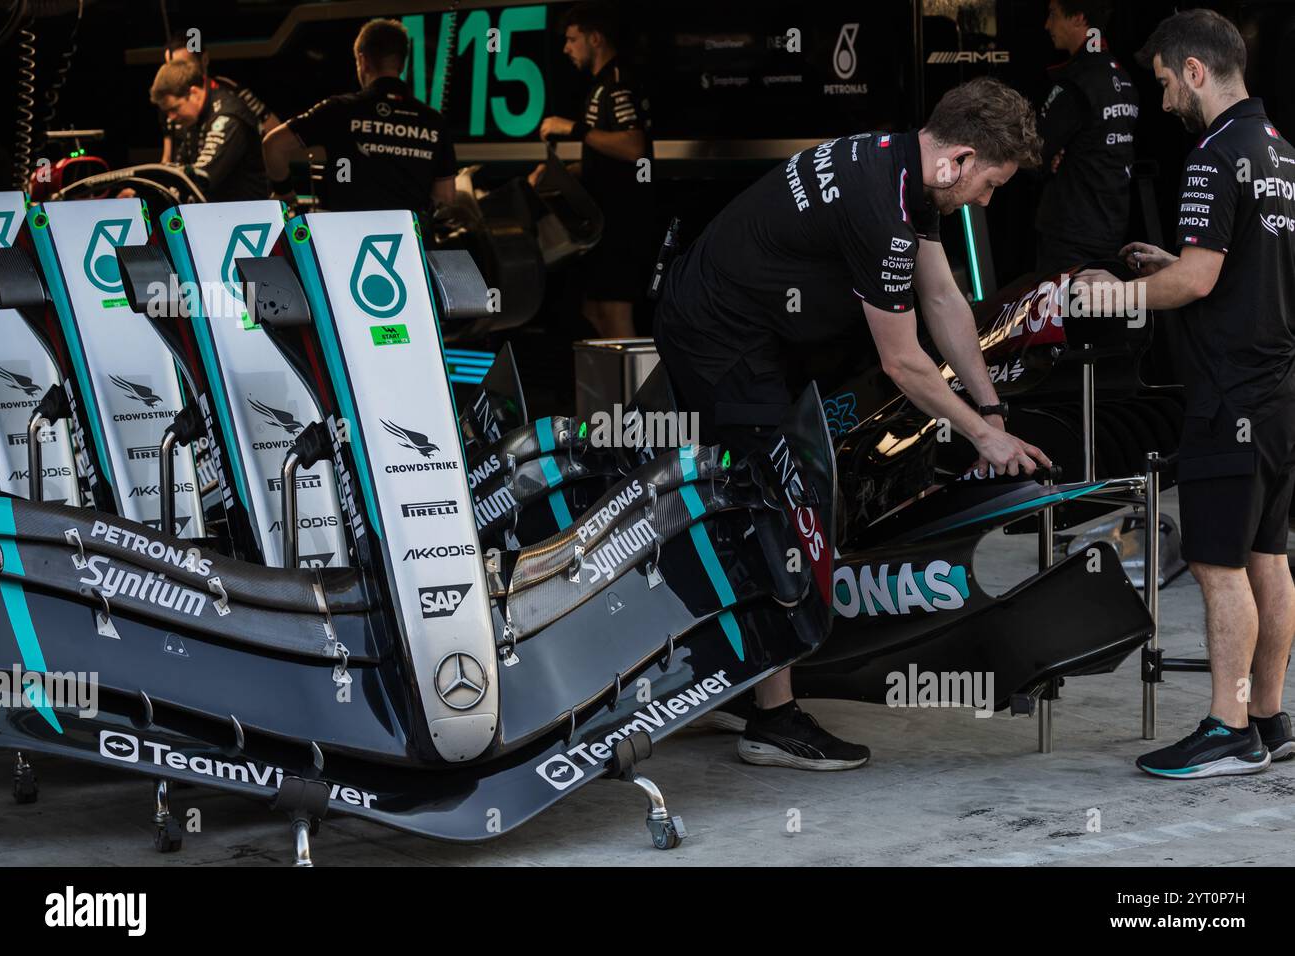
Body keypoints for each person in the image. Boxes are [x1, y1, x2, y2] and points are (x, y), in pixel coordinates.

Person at [655, 78, 1051, 770]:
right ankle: (771, 719)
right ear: (957, 159)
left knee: (763, 497)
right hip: (718, 332)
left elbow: (942, 297)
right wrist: (982, 438)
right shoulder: (882, 207)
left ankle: (737, 677)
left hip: (743, 322)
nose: (987, 201)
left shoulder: (904, 164)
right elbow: (904, 363)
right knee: (773, 503)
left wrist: (991, 408)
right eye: (990, 184)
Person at [1075, 8, 1295, 777]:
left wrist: (1110, 294)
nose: (1164, 99)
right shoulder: (1280, 153)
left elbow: (1199, 281)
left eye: (1166, 82)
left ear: (1195, 70)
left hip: (1228, 395)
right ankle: (1268, 719)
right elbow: (1244, 270)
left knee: (1215, 564)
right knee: (1268, 555)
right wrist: (1176, 258)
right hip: (1278, 392)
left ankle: (1227, 728)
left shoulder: (1211, 155)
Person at [532, 2, 653, 339]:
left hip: (623, 220)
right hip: (604, 220)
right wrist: (560, 172)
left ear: (595, 38)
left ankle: (637, 392)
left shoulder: (617, 81)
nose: (566, 48)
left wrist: (572, 128)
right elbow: (606, 157)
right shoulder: (601, 83)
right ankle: (610, 389)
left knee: (614, 313)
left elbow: (633, 147)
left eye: (572, 39)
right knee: (594, 312)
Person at [263, 18, 456, 215]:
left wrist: (285, 194)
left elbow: (273, 144)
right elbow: (445, 197)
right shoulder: (434, 122)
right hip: (409, 240)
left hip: (348, 238)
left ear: (363, 61)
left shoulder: (338, 109)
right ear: (402, 63)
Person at [1035, 0, 1139, 273]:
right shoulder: (1122, 76)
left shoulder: (1077, 81)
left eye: (1054, 14)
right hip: (1112, 229)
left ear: (1079, 18)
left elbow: (1036, 152)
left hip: (1070, 237)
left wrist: (1048, 159)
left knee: (1061, 314)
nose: (1047, 24)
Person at [148, 58, 267, 202]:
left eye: (174, 109)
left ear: (194, 93)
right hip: (220, 215)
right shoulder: (195, 118)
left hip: (248, 217)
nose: (170, 118)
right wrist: (142, 190)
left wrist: (151, 197)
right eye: (166, 112)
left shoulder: (227, 117)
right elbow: (179, 170)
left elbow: (199, 179)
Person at [159, 34, 280, 166]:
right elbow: (167, 157)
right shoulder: (170, 102)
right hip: (190, 179)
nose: (175, 72)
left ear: (204, 60)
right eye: (170, 66)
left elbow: (275, 132)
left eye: (182, 65)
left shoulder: (232, 92)